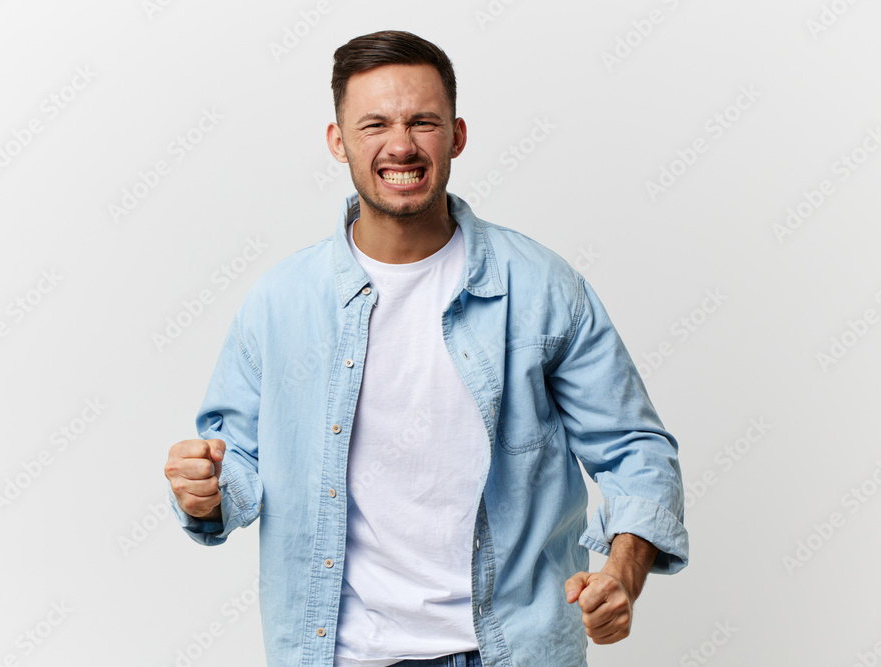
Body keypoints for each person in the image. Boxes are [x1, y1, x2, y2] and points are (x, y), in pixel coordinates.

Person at [164, 29, 688, 667]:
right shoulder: (280, 303)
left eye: (423, 122)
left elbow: (636, 450)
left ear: (458, 136)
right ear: (338, 142)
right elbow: (237, 462)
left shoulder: (543, 289)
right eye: (374, 124)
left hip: (510, 653)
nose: (401, 145)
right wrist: (207, 490)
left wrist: (622, 574)